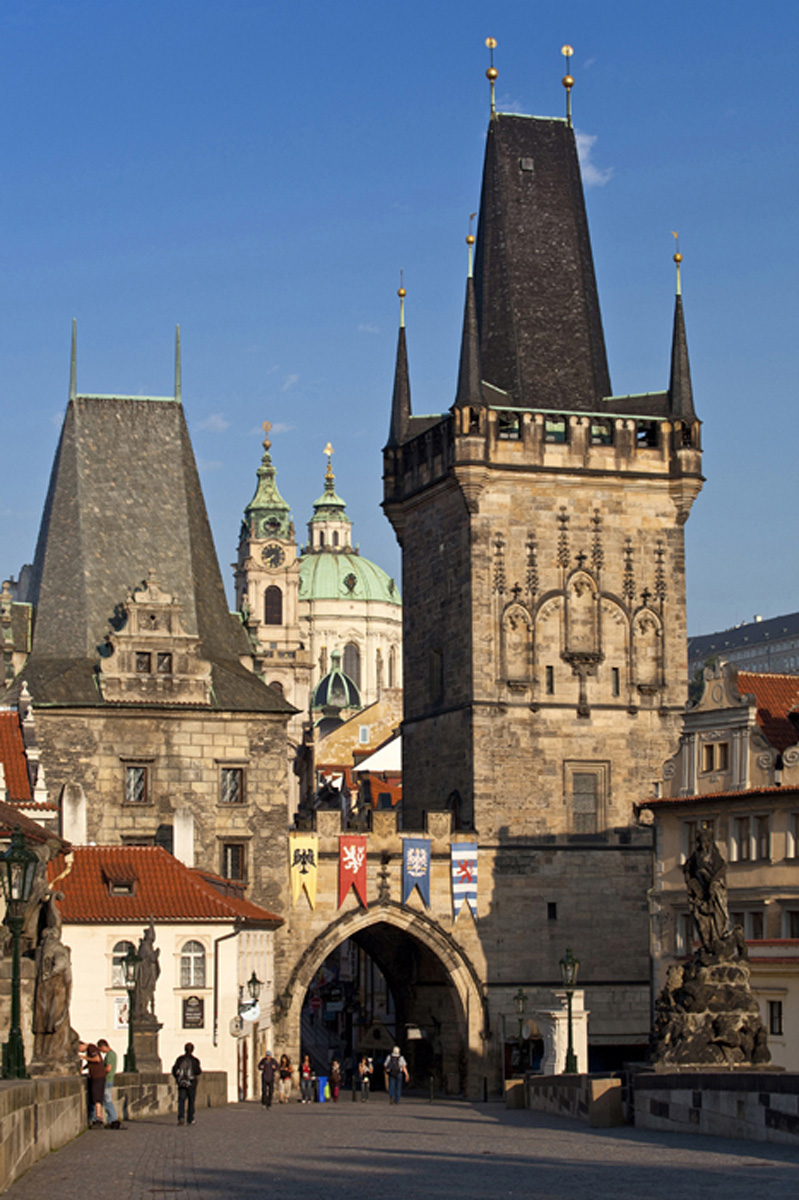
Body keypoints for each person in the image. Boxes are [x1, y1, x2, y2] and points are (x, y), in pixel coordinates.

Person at [172, 1042, 202, 1125]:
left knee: (181, 1101)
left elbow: (174, 1069)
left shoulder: (180, 1059)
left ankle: (181, 1117)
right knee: (191, 1101)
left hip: (182, 1083)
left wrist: (178, 1079)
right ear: (192, 1050)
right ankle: (190, 1118)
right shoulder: (195, 1060)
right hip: (191, 1084)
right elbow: (198, 1072)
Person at [97, 1038, 121, 1128]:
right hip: (110, 1080)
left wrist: (100, 1071)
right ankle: (111, 1120)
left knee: (107, 1101)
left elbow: (108, 1068)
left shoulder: (110, 1055)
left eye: (100, 1049)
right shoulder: (113, 1054)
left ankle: (113, 1120)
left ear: (103, 1046)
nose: (101, 1051)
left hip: (107, 1080)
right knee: (107, 1101)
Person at [85, 1044, 107, 1127]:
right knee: (97, 1098)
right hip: (99, 1077)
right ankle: (98, 1117)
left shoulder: (91, 1048)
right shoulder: (91, 1048)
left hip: (97, 1078)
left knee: (97, 1098)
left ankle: (98, 1118)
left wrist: (84, 1058)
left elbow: (97, 1059)